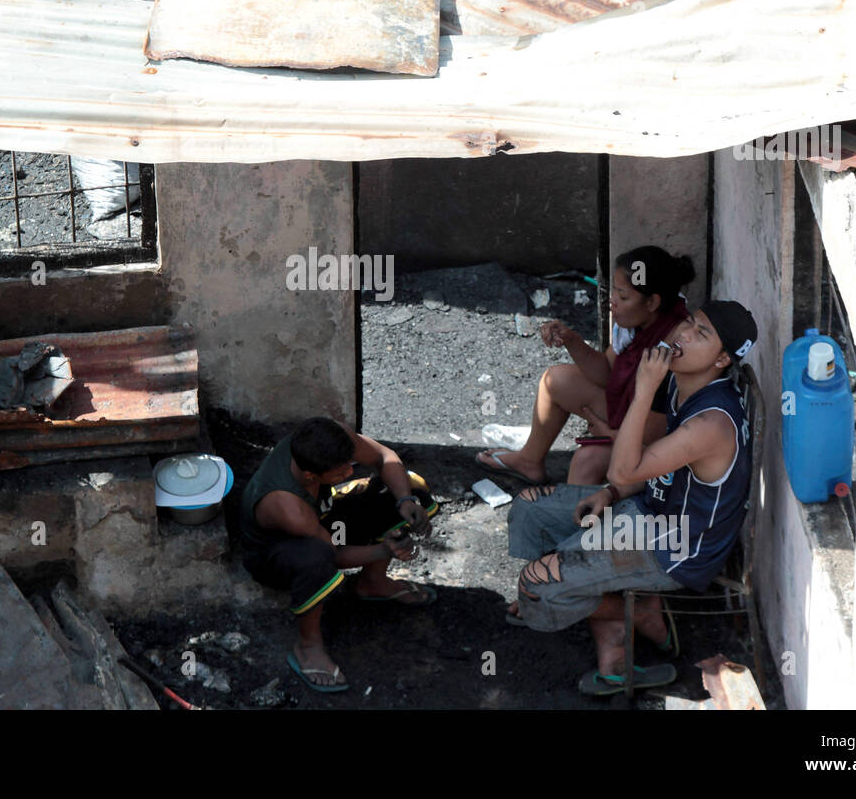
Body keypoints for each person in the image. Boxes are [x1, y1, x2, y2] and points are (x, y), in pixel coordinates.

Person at [505, 300, 757, 695]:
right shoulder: (682, 381)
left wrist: (645, 388)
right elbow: (636, 465)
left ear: (722, 358)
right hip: (645, 507)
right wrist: (611, 492)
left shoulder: (711, 423)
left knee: (535, 584)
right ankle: (590, 598)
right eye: (689, 323)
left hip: (676, 545)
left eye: (701, 334)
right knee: (529, 507)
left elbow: (624, 465)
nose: (683, 334)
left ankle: (629, 609)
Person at [239, 417, 438, 693]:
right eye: (340, 472)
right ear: (311, 477)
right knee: (316, 558)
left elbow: (384, 456)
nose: (349, 472)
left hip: (322, 523)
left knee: (410, 487)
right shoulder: (287, 508)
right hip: (275, 555)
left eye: (349, 465)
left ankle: (373, 583)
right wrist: (384, 548)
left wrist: (405, 501)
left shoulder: (327, 438)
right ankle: (307, 646)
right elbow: (333, 555)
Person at [476, 246, 695, 486]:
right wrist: (572, 340)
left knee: (586, 461)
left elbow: (651, 437)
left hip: (656, 441)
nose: (613, 302)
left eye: (622, 297)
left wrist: (607, 434)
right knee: (556, 381)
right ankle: (529, 461)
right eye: (614, 292)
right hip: (630, 407)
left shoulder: (671, 352)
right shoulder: (638, 318)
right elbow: (608, 374)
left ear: (652, 302)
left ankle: (585, 519)